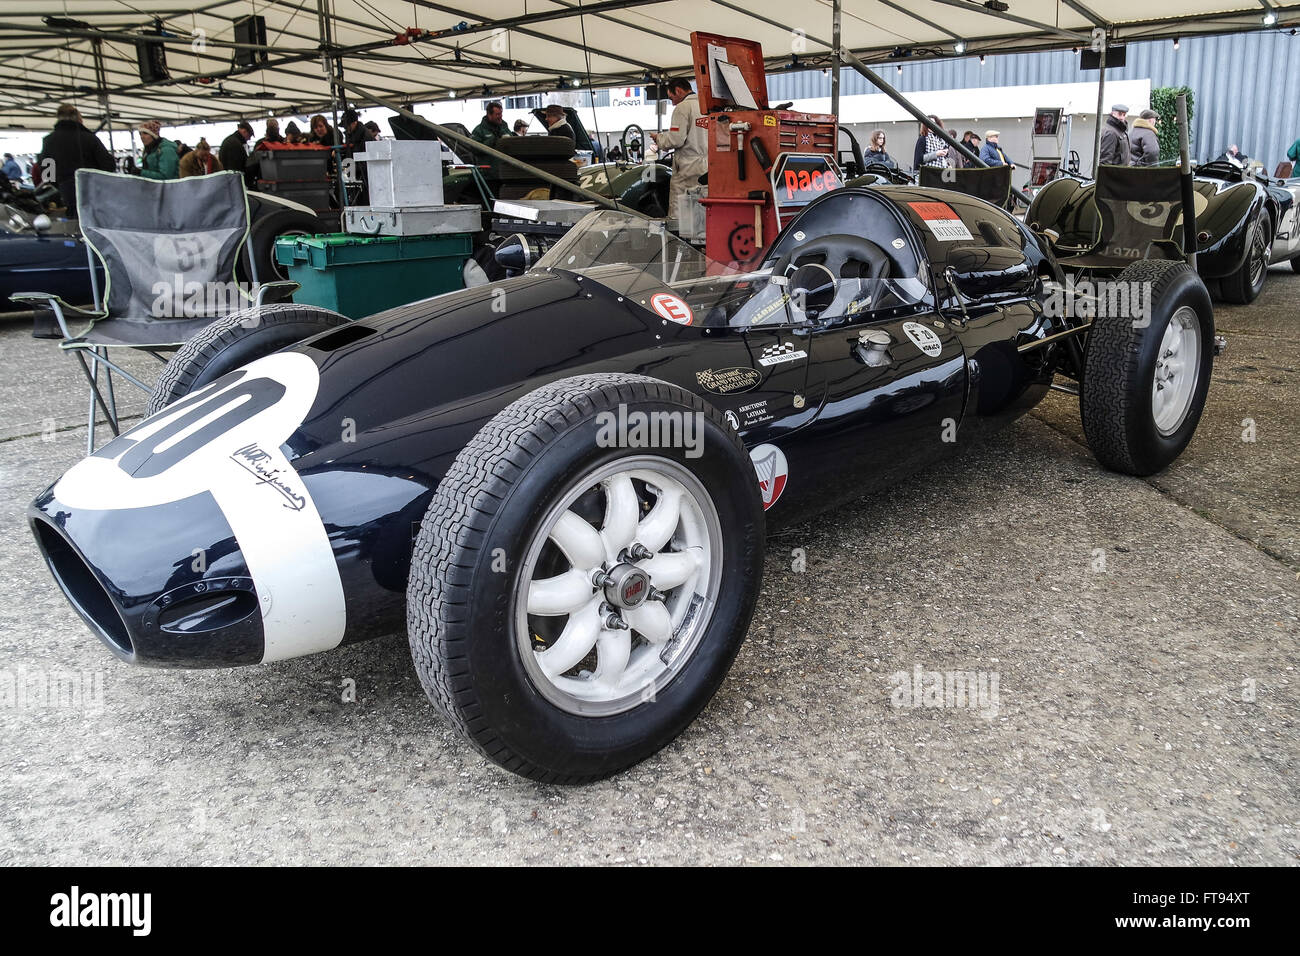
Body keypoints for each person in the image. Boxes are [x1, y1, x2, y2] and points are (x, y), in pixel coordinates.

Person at [35, 103, 116, 216]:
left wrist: (60, 184)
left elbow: (47, 172)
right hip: (93, 190)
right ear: (79, 118)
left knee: (74, 219)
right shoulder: (90, 138)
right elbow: (108, 165)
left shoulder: (49, 140)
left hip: (66, 191)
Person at [649, 77, 707, 224]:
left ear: (679, 90)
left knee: (679, 211)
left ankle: (680, 243)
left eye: (671, 97)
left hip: (687, 167)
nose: (672, 102)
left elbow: (676, 139)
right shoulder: (706, 106)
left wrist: (659, 138)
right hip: (708, 166)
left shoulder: (683, 108)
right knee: (702, 208)